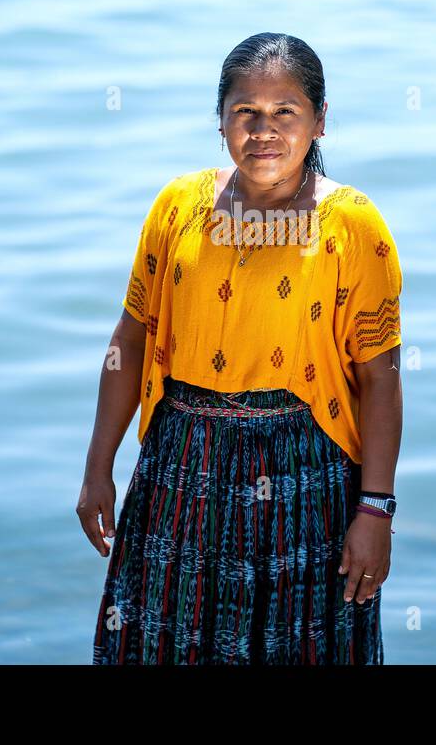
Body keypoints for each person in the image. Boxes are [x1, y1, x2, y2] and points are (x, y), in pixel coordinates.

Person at [79, 32, 404, 664]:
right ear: (220, 118)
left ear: (320, 122)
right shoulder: (178, 207)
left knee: (298, 646)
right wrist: (98, 466)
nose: (265, 130)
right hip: (180, 469)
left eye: (286, 112)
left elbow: (382, 380)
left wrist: (376, 510)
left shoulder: (354, 225)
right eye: (245, 112)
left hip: (306, 477)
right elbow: (132, 340)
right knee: (164, 644)